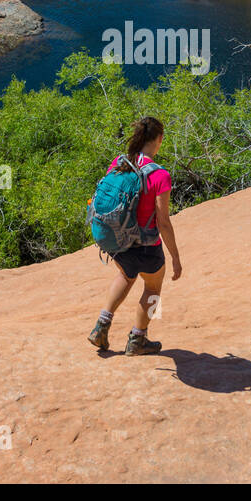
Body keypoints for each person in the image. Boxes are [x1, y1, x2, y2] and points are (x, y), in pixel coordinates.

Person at [88, 116, 182, 355]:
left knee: (126, 276)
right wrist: (175, 258)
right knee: (153, 289)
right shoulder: (159, 175)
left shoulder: (119, 163)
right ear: (159, 139)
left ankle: (101, 326)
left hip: (119, 242)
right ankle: (137, 340)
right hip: (147, 246)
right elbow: (163, 222)